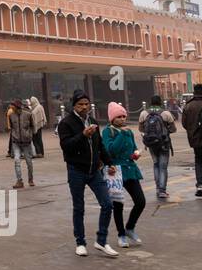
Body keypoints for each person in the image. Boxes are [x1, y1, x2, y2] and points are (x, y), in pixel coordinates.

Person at [58, 89, 117, 257]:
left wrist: (109, 163)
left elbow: (100, 146)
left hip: (94, 170)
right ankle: (80, 242)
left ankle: (101, 240)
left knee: (107, 204)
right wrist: (83, 135)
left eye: (86, 104)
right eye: (80, 104)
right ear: (74, 105)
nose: (84, 107)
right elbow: (66, 146)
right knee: (79, 207)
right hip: (76, 170)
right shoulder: (66, 123)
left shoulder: (92, 121)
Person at [101, 103, 146, 247]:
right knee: (118, 204)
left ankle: (130, 228)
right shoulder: (108, 131)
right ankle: (121, 235)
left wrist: (135, 154)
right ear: (112, 118)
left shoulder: (128, 131)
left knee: (140, 201)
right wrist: (121, 134)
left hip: (130, 169)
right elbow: (111, 151)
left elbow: (132, 148)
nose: (121, 119)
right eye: (118, 117)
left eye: (123, 116)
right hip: (116, 171)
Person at [137, 94, 176, 199]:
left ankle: (158, 188)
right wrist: (164, 130)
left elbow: (141, 129)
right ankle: (162, 191)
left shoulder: (144, 113)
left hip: (151, 144)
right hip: (164, 143)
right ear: (160, 102)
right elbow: (173, 129)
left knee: (156, 164)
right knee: (163, 166)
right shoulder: (166, 113)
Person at [7, 100, 35, 189]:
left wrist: (29, 135)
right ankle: (19, 180)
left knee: (29, 162)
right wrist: (13, 135)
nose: (11, 107)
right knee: (16, 160)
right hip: (16, 142)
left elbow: (32, 126)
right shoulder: (11, 116)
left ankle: (30, 179)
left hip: (26, 142)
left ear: (17, 107)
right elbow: (11, 127)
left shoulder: (28, 115)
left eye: (13, 106)